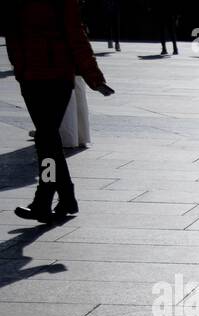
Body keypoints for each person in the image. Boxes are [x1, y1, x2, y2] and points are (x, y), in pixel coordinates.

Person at [5, 0, 115, 224]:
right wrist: (19, 67)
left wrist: (94, 78)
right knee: (49, 140)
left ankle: (43, 200)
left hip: (56, 76)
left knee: (46, 140)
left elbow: (76, 35)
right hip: (29, 76)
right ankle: (66, 198)